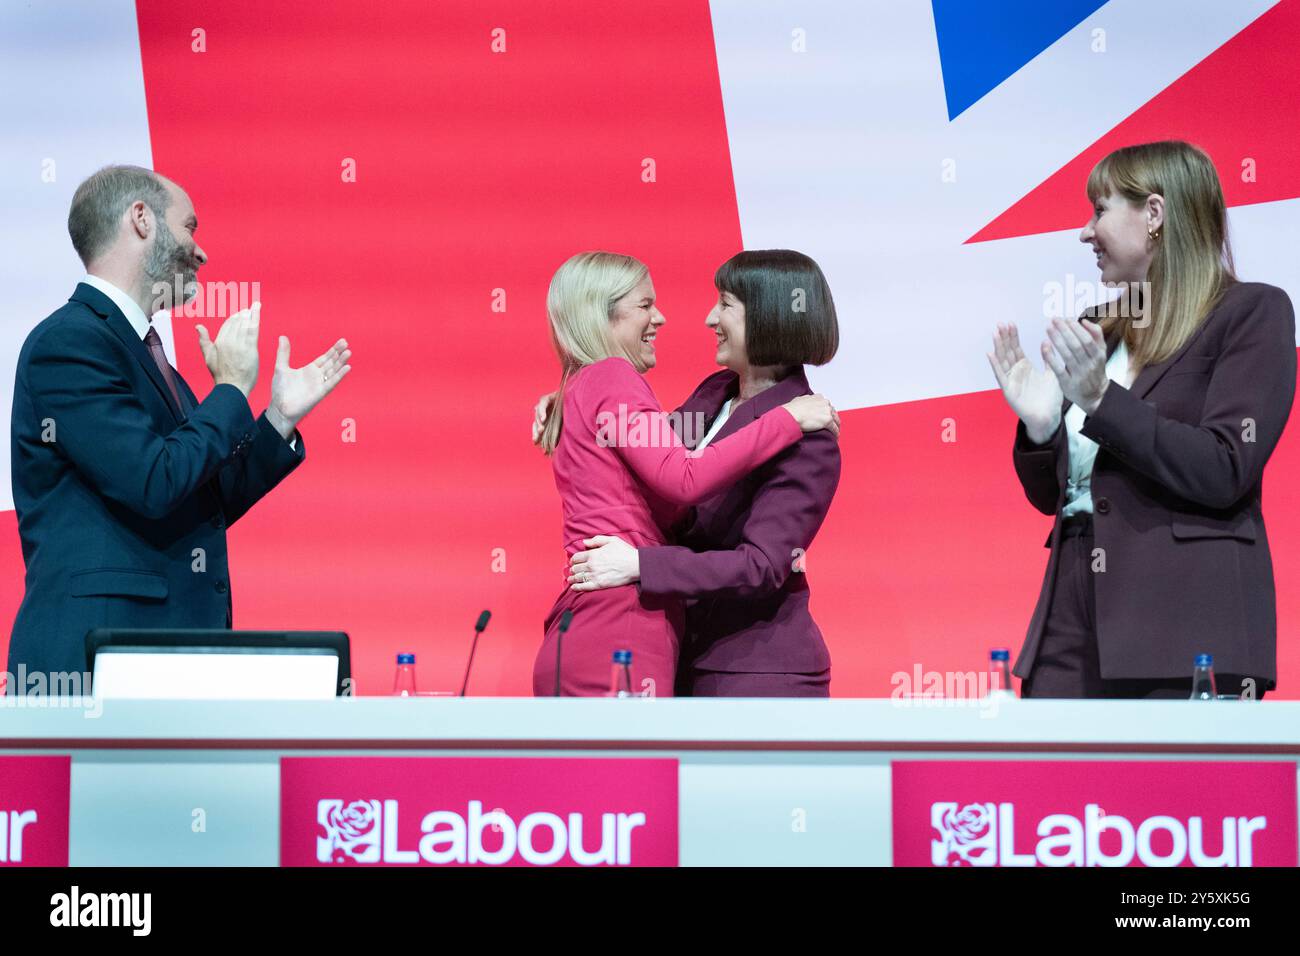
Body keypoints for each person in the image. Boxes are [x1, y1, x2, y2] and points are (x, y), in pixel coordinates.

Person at [7, 164, 351, 688]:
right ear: (141, 219)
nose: (202, 251)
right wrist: (231, 389)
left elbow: (199, 497)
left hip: (158, 665)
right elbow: (153, 481)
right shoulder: (69, 344)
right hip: (95, 665)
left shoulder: (146, 354)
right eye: (190, 226)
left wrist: (278, 417)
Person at [987, 140, 1295, 699]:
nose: (1085, 232)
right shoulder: (1099, 327)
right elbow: (1055, 496)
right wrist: (1040, 429)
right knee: (1056, 784)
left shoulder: (1252, 312)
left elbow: (1226, 467)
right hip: (1070, 615)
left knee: (1174, 790)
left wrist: (1103, 401)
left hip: (1185, 619)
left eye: (1099, 210)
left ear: (1154, 214)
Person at [531, 251, 838, 697]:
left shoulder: (810, 434)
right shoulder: (713, 394)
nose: (710, 317)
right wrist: (569, 404)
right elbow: (648, 450)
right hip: (680, 654)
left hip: (754, 674)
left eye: (727, 304)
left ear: (770, 315)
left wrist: (641, 564)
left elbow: (761, 567)